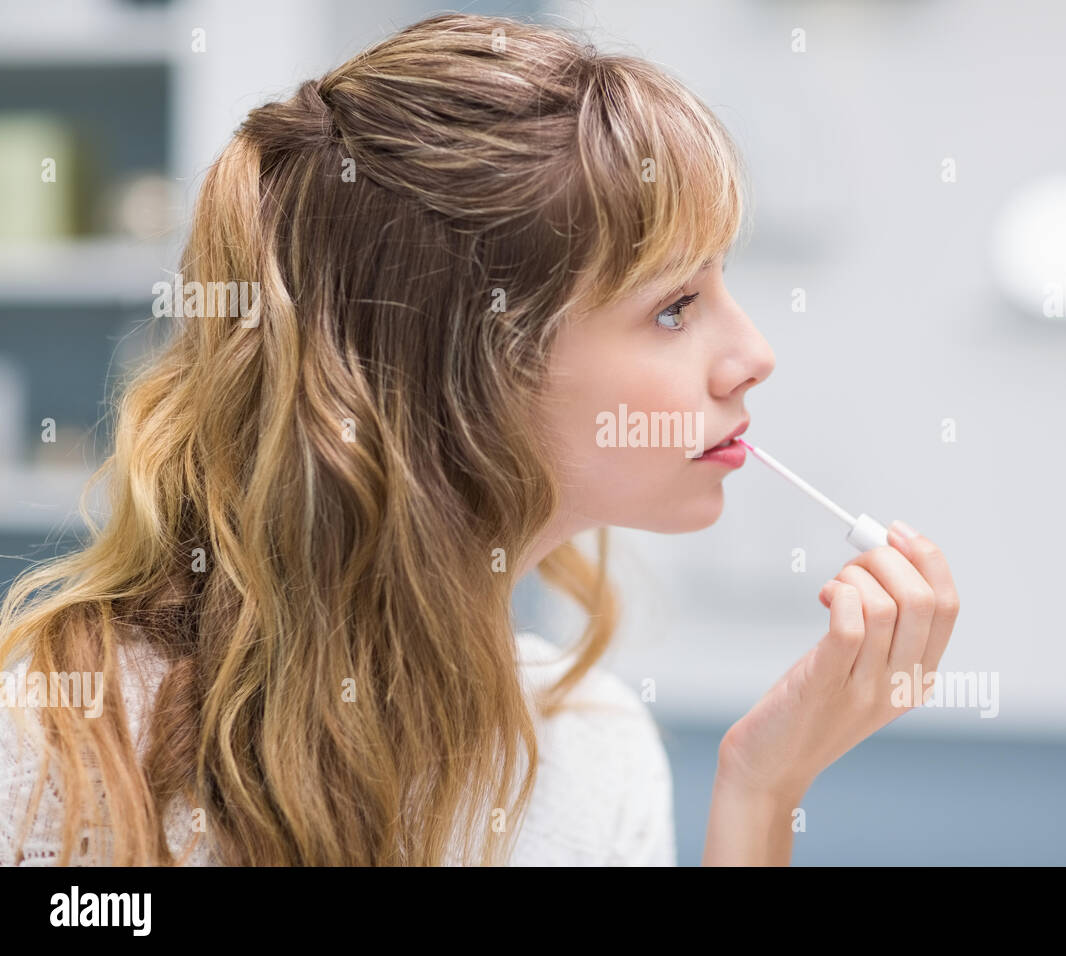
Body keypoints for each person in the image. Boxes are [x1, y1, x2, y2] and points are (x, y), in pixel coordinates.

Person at [0, 12, 958, 867]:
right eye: (676, 308)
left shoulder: (597, 748)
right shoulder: (56, 737)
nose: (755, 354)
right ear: (463, 371)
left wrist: (763, 789)